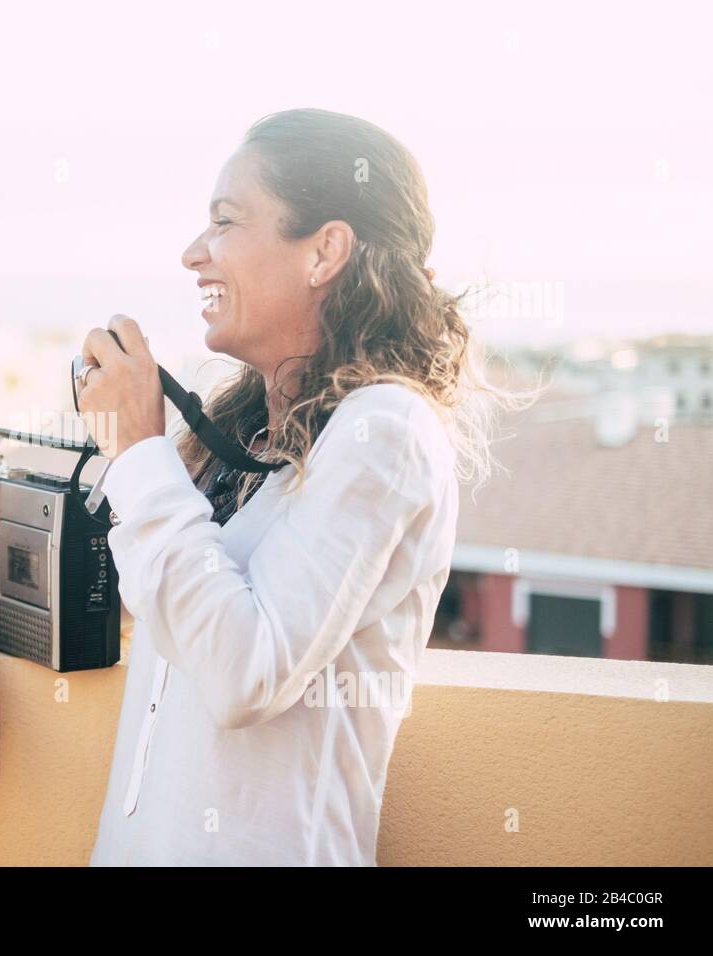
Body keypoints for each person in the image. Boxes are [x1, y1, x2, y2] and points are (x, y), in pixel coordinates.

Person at [76, 108, 511, 865]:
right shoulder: (241, 440)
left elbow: (247, 671)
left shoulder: (386, 432)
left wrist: (138, 452)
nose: (192, 254)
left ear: (324, 252)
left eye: (224, 222)